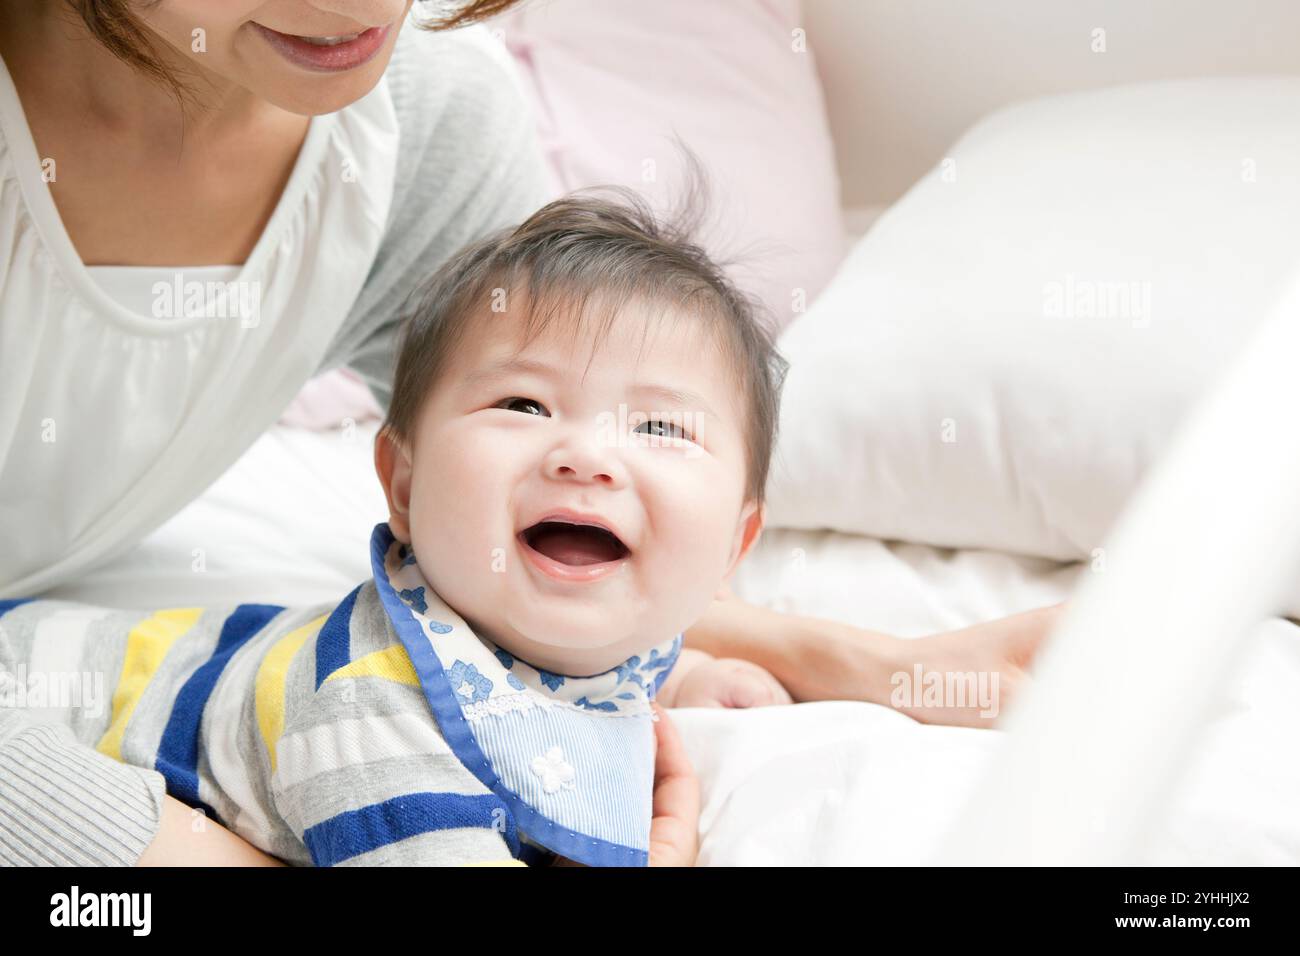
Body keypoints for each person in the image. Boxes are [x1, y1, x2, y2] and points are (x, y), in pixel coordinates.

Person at [0, 0, 1056, 868]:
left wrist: (865, 661)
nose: (368, 7)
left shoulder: (419, 121)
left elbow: (531, 499)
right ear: (388, 481)